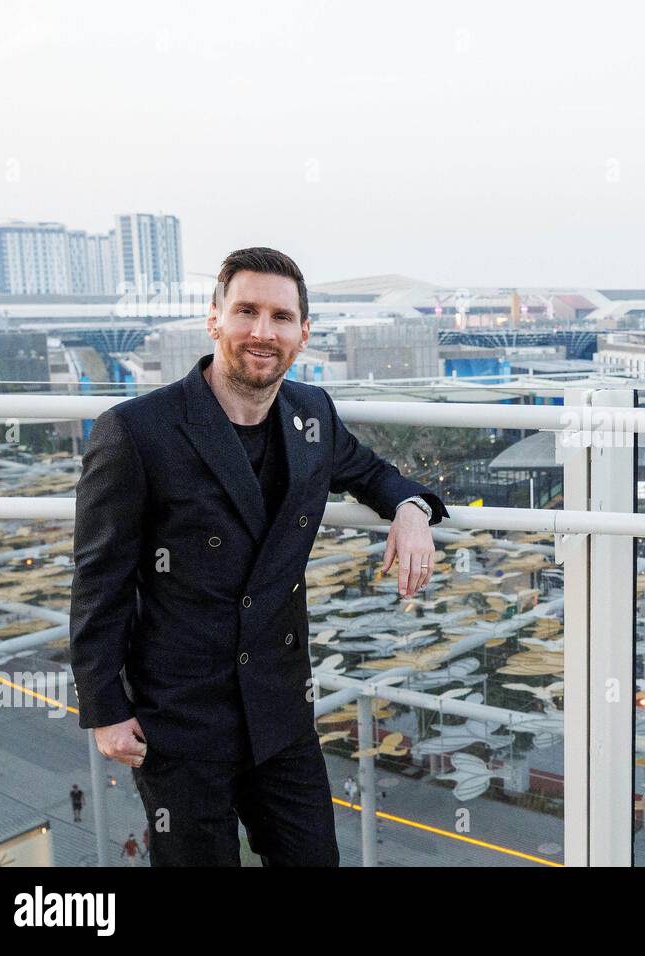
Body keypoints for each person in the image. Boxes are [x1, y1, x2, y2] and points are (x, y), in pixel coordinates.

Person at [69, 248, 448, 867]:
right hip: (180, 720)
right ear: (214, 318)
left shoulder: (313, 415)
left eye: (281, 316)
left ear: (304, 334)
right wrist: (106, 711)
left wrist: (411, 511)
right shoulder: (137, 430)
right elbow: (98, 581)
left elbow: (373, 474)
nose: (263, 332)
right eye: (246, 311)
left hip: (280, 715)